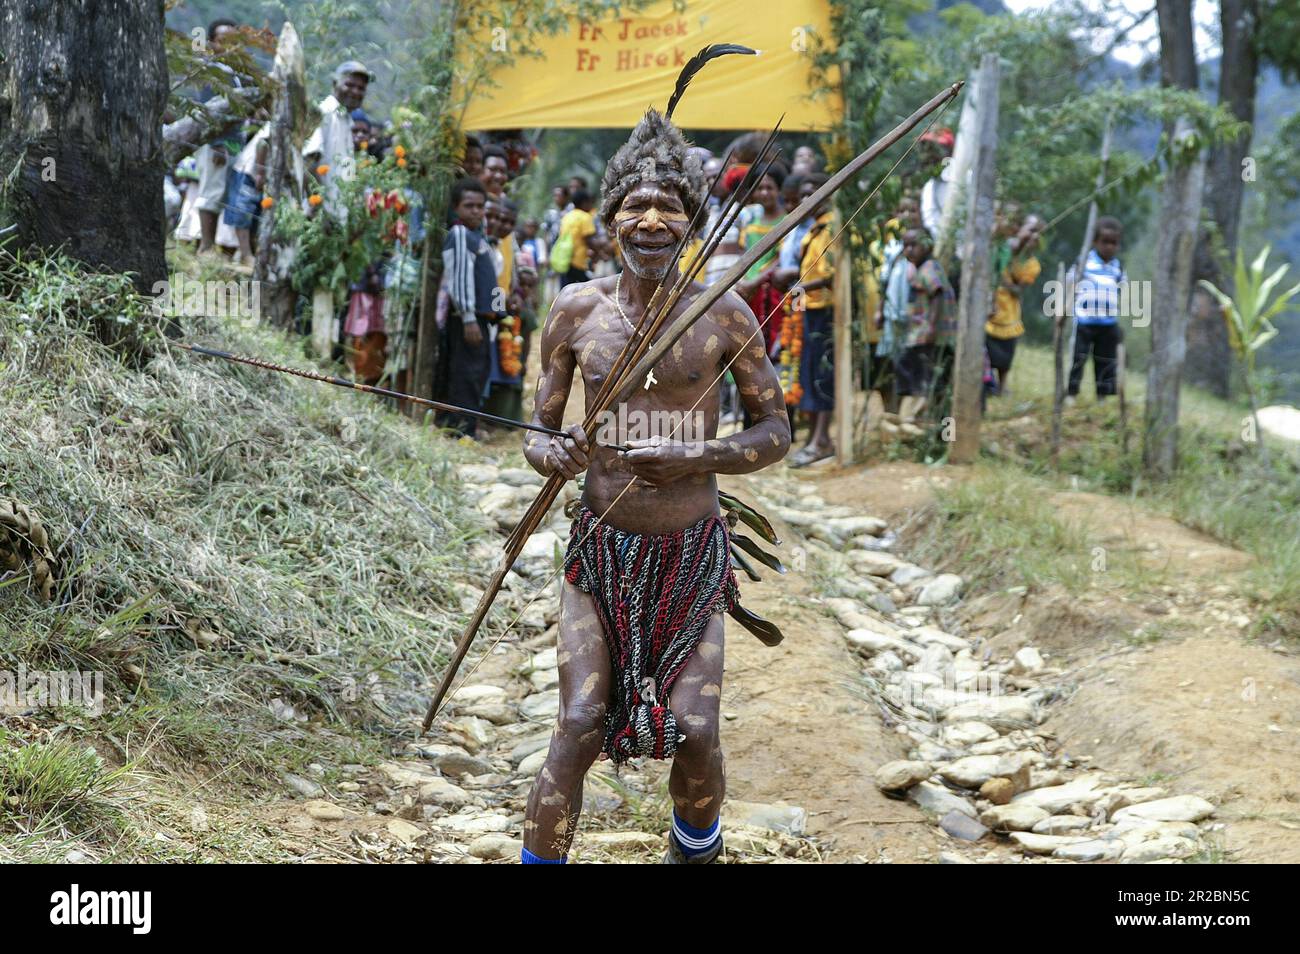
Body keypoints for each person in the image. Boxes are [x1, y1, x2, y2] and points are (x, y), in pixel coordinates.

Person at [520, 107, 791, 865]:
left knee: (698, 733)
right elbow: (537, 430)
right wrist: (556, 453)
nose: (649, 220)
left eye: (668, 207)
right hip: (601, 557)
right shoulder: (576, 309)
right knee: (578, 722)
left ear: (690, 223)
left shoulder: (723, 313)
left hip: (690, 558)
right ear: (609, 221)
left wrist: (697, 457)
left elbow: (777, 433)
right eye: (633, 206)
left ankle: (693, 853)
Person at [439, 178, 502, 438]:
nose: (476, 211)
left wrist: (498, 312)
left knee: (477, 372)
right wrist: (467, 318)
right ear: (456, 208)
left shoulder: (479, 238)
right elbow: (460, 278)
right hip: (469, 319)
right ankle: (461, 430)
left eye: (480, 206)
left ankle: (468, 426)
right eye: (469, 206)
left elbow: (493, 281)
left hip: (482, 319)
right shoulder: (460, 234)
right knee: (466, 373)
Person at [786, 185, 837, 466]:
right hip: (810, 307)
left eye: (813, 192)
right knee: (808, 372)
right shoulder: (814, 229)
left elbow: (831, 274)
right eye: (803, 194)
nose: (806, 199)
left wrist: (802, 286)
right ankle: (815, 438)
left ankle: (821, 439)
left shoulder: (833, 229)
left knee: (822, 373)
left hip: (826, 309)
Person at [896, 228, 955, 435]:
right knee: (913, 369)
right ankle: (917, 415)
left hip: (929, 336)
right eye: (905, 246)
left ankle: (920, 415)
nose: (908, 250)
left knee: (922, 374)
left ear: (927, 246)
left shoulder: (929, 268)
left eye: (914, 245)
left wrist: (931, 326)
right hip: (921, 334)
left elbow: (937, 294)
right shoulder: (921, 267)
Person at [1066, 216, 1126, 403]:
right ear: (1095, 242)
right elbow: (1070, 281)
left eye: (1114, 243)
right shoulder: (1084, 262)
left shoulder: (1118, 267)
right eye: (1105, 242)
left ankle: (1103, 396)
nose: (1109, 246)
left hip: (1108, 323)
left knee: (1106, 360)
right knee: (1078, 357)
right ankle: (1072, 393)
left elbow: (1122, 287)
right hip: (1084, 321)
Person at [303, 60, 373, 217]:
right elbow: (307, 162)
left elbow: (347, 172)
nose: (355, 92)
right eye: (349, 85)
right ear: (335, 84)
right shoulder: (325, 113)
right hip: (316, 215)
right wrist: (316, 204)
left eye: (361, 88)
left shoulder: (347, 121)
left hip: (336, 216)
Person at [985, 212, 1043, 396]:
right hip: (990, 306)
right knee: (986, 347)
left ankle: (1003, 386)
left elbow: (1019, 290)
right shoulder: (1002, 248)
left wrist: (1005, 279)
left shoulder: (1032, 264)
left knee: (1006, 351)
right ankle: (987, 383)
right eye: (1031, 230)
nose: (1034, 235)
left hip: (1009, 310)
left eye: (1038, 233)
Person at [554, 189, 597, 287]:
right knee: (584, 290)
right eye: (590, 202)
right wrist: (599, 253)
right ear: (584, 203)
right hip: (578, 261)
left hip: (565, 258)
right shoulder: (585, 217)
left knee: (566, 289)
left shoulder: (567, 216)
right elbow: (589, 239)